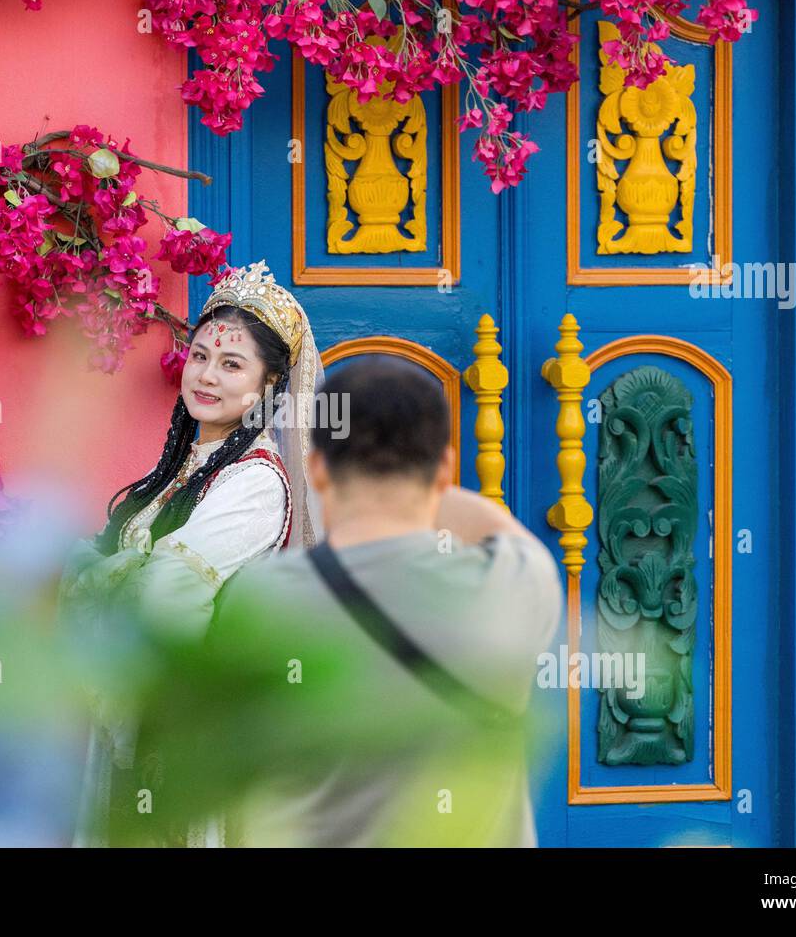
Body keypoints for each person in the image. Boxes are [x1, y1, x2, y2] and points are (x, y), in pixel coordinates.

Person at [209, 357, 563, 847]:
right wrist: (428, 492)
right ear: (445, 468)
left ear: (316, 469)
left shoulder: (261, 597)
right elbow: (498, 528)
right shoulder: (514, 583)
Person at [56, 259, 324, 846]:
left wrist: (102, 582)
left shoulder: (255, 482)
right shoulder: (181, 468)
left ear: (268, 386)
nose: (206, 376)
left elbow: (168, 593)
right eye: (200, 356)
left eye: (232, 365)